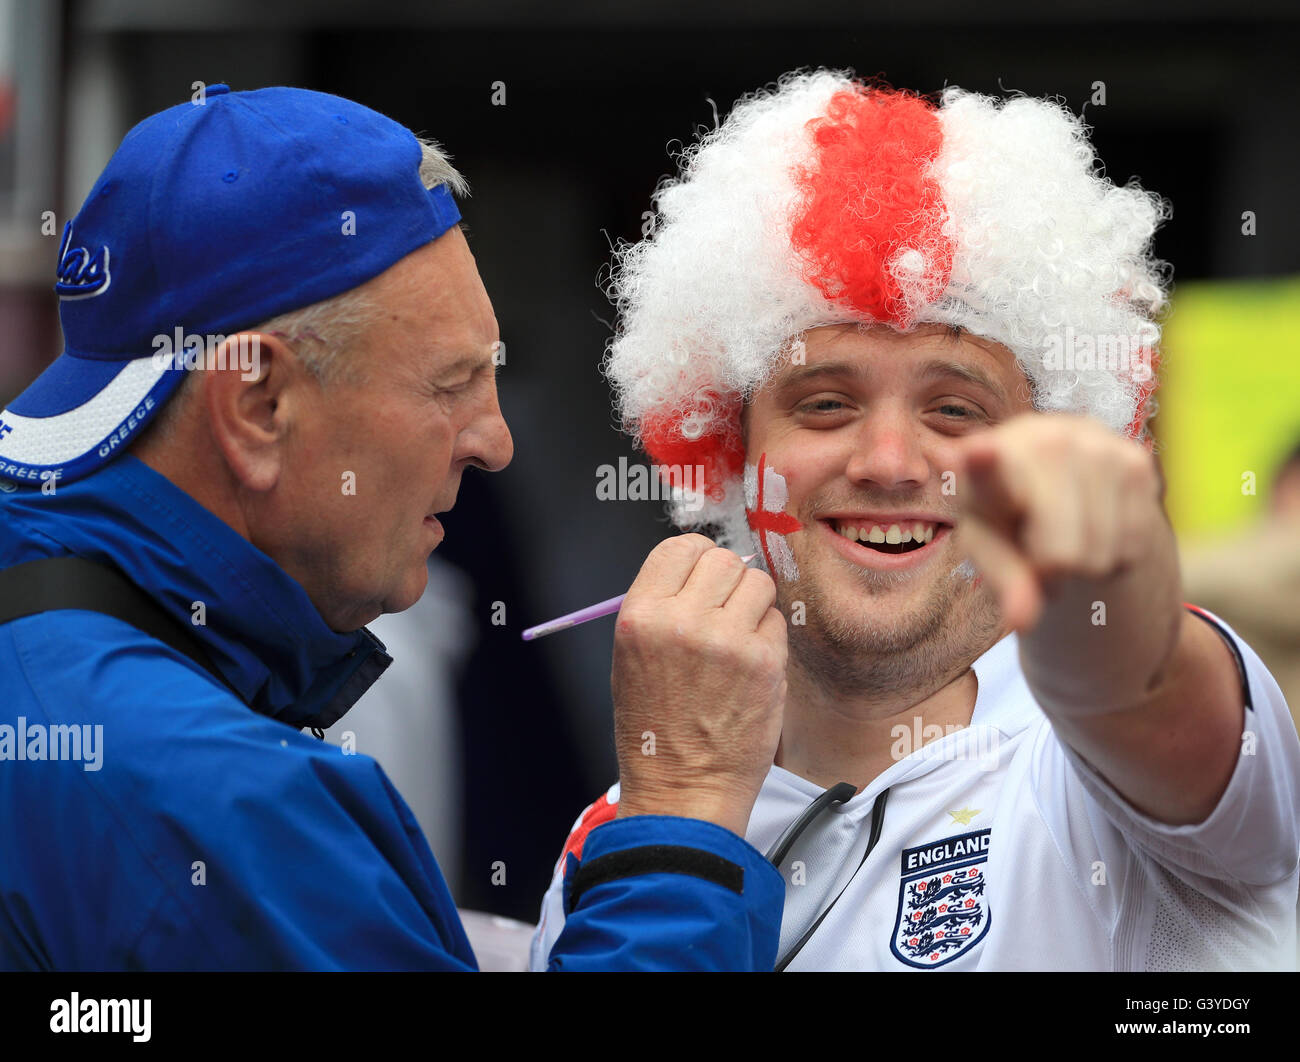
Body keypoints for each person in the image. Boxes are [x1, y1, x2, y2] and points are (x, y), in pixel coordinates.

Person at [0, 84, 786, 971]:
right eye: (449, 386)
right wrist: (681, 816)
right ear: (259, 406)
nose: (496, 443)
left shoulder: (64, 659)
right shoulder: (212, 800)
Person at [532, 71, 1300, 971]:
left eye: (955, 411)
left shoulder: (1104, 781)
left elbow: (1142, 689)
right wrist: (680, 812)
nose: (889, 463)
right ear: (731, 450)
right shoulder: (632, 822)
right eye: (824, 404)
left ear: (1044, 456)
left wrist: (1100, 588)